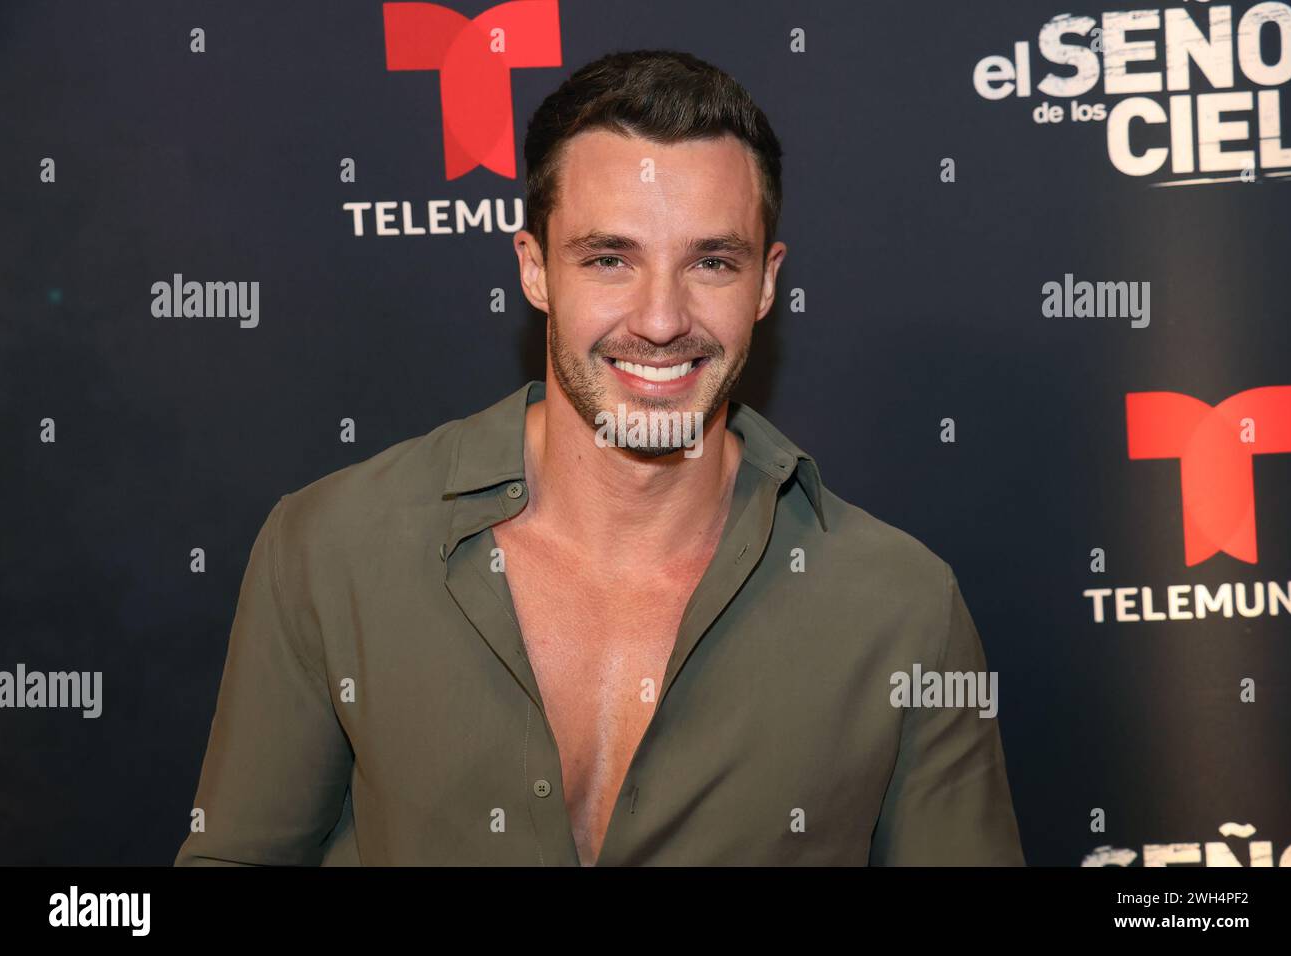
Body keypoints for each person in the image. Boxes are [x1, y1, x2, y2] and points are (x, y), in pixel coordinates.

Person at [175, 49, 1024, 866]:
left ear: (767, 284)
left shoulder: (902, 608)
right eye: (610, 258)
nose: (661, 319)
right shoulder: (332, 548)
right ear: (535, 267)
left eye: (712, 262)